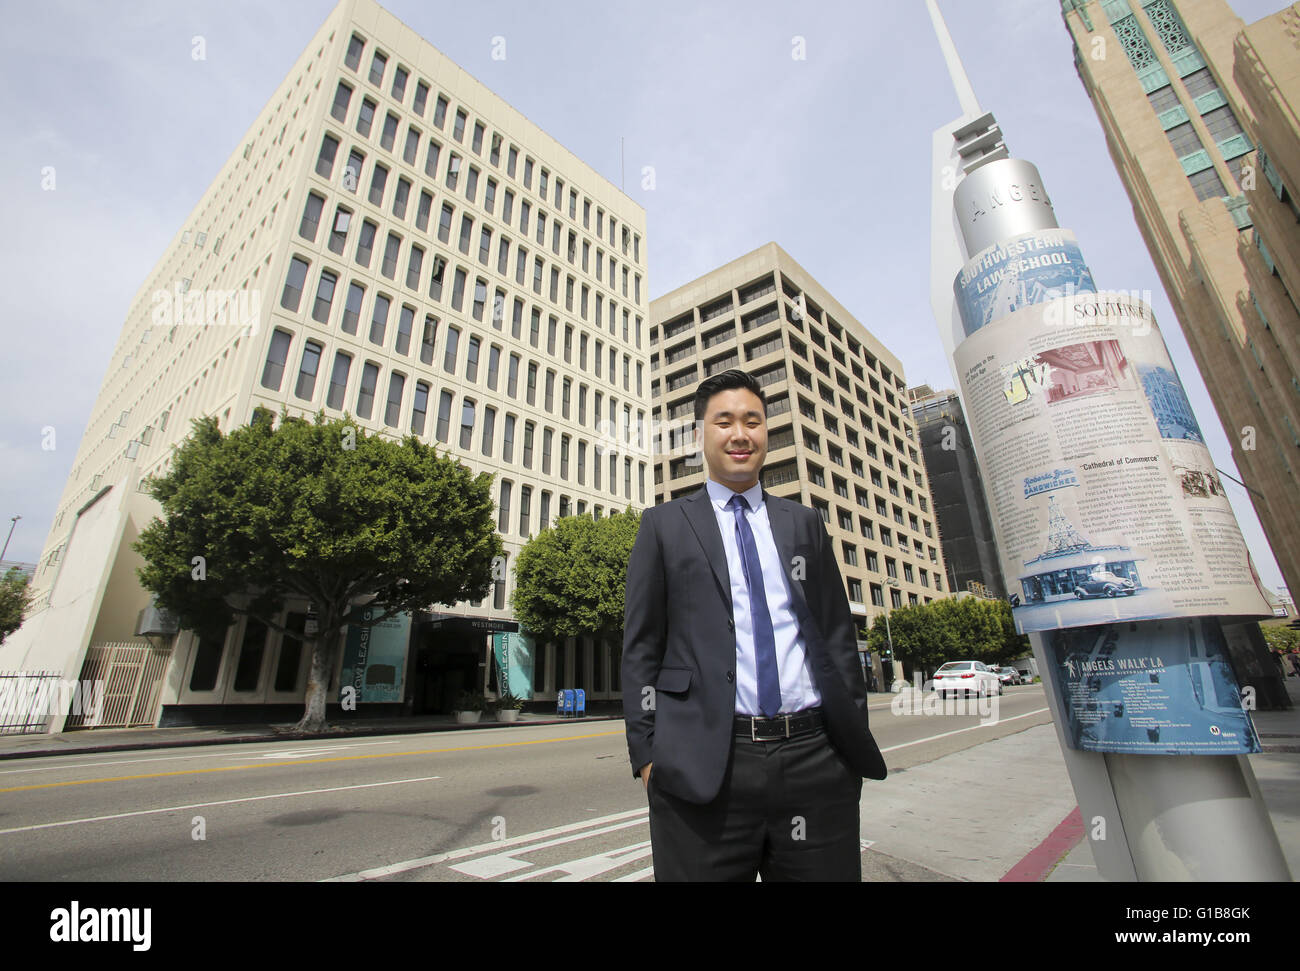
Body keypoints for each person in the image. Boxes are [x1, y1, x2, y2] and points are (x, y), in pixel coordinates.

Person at [622, 368, 887, 882]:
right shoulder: (664, 526)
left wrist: (846, 742)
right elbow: (641, 648)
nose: (740, 434)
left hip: (815, 761)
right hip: (705, 769)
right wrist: (648, 753)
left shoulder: (803, 524)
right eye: (724, 422)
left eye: (753, 421)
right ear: (700, 434)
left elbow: (836, 634)